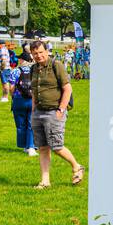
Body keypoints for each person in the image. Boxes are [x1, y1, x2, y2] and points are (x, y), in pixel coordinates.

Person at [29, 40, 84, 188]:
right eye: (35, 53)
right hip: (38, 113)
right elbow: (34, 90)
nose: (38, 55)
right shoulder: (33, 68)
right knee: (42, 147)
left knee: (56, 146)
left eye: (41, 52)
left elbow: (67, 89)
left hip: (54, 111)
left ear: (46, 51)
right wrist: (33, 108)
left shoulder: (56, 65)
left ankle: (76, 166)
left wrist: (61, 110)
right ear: (32, 55)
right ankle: (45, 181)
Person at [9, 51, 36, 155]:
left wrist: (13, 96)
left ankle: (24, 146)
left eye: (19, 58)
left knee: (20, 124)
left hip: (19, 99)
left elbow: (11, 87)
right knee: (31, 123)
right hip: (32, 99)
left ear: (22, 60)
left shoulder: (15, 71)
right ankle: (31, 147)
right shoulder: (35, 71)